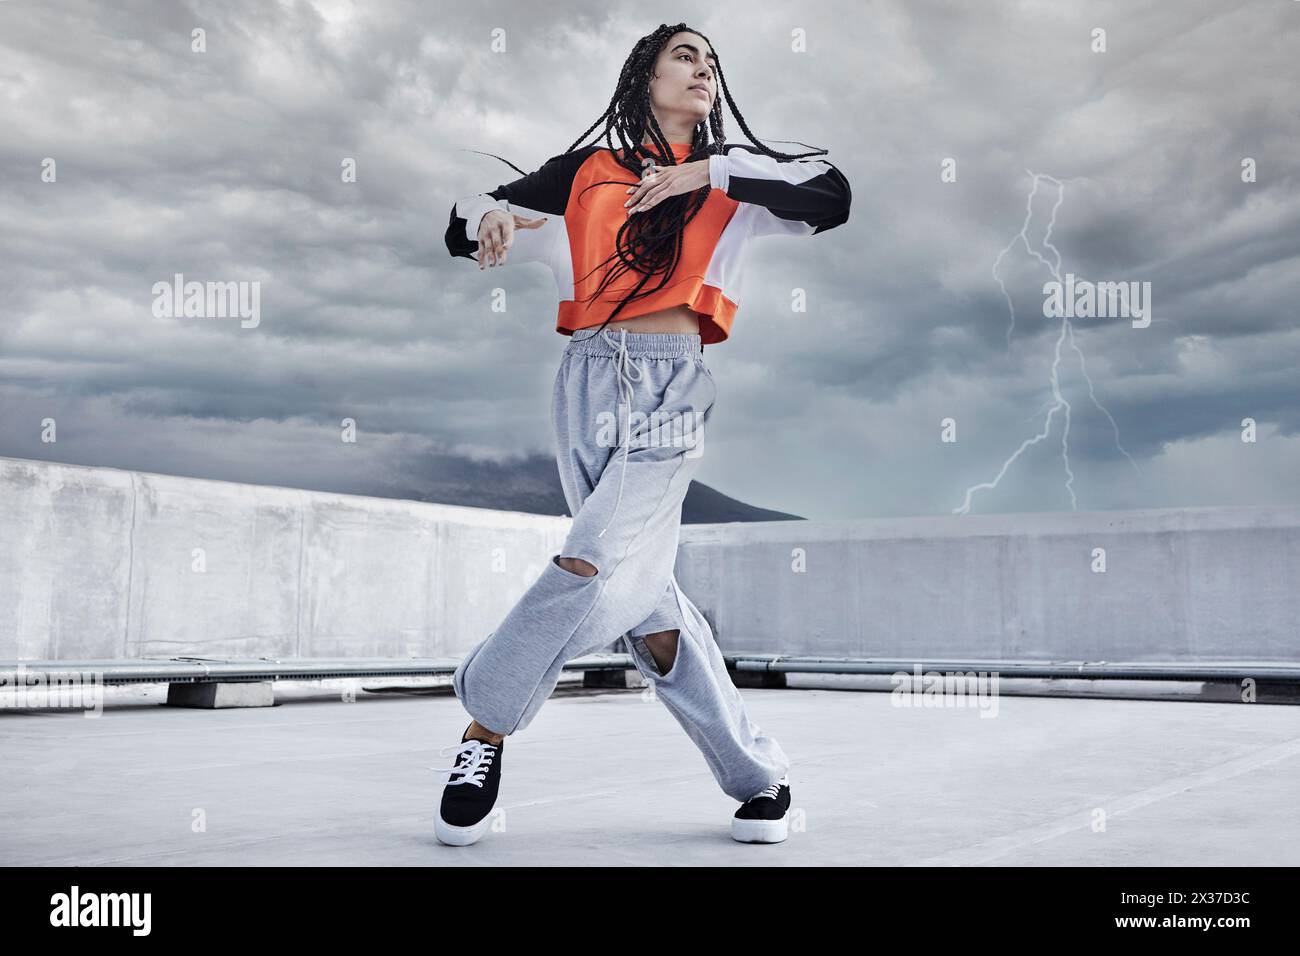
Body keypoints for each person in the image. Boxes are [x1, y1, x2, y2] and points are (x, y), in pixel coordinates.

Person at [432, 22, 851, 847]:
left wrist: (708, 169)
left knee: (589, 558)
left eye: (711, 61)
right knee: (650, 613)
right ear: (644, 75)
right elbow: (463, 216)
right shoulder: (589, 174)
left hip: (671, 384)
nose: (703, 69)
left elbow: (832, 193)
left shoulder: (732, 182)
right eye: (684, 55)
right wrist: (486, 215)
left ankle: (483, 724)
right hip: (585, 382)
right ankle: (758, 777)